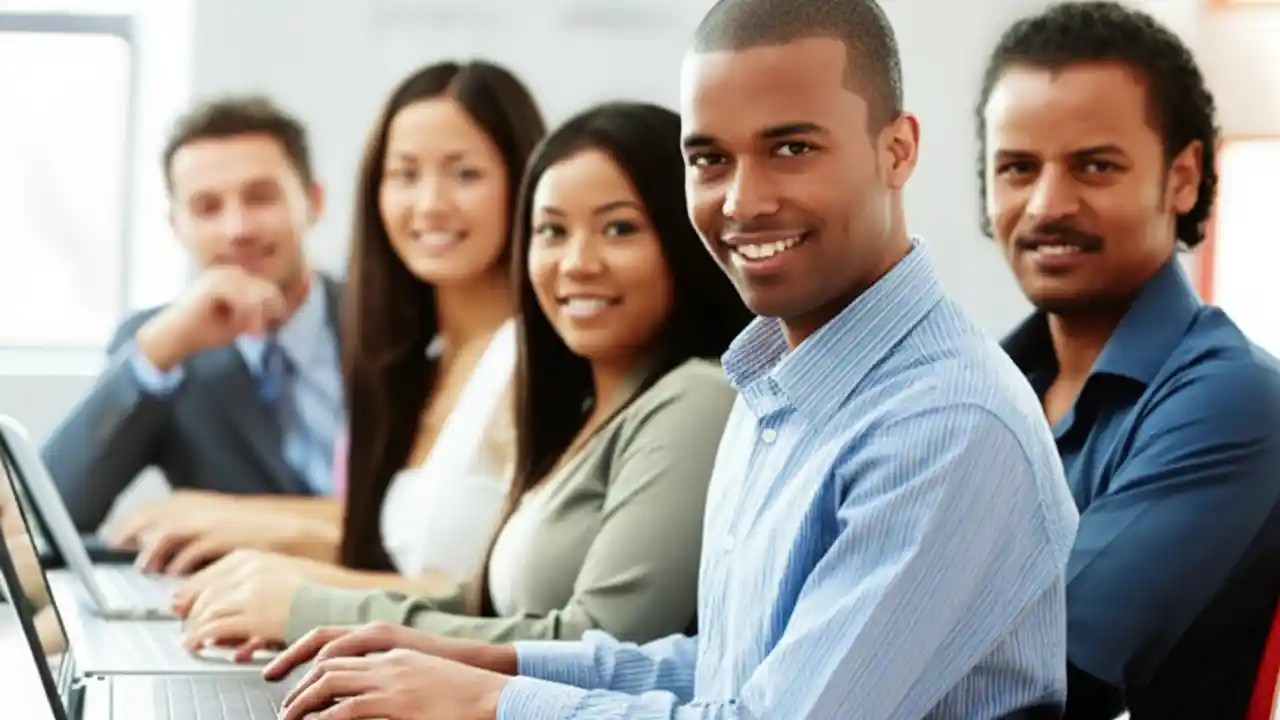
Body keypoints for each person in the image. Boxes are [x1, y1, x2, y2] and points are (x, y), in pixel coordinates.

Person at [259, 2, 1080, 719]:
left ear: (897, 149)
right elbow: (726, 670)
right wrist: (481, 662)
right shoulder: (774, 379)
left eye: (792, 148)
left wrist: (491, 704)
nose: (743, 201)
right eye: (710, 159)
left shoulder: (942, 422)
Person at [174, 101, 749, 657]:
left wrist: (315, 609)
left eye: (619, 229)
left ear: (684, 237)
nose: (577, 263)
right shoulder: (583, 409)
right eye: (551, 231)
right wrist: (299, 598)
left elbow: (598, 644)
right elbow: (485, 605)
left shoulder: (696, 398)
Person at [117, 61, 548, 581]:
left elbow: (497, 590)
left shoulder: (526, 361)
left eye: (465, 174)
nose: (431, 204)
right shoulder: (423, 359)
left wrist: (278, 557)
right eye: (406, 175)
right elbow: (392, 537)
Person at [980, 3, 1280, 717]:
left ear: (1182, 178)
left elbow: (1038, 679)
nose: (1046, 205)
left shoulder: (1234, 399)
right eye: (1018, 168)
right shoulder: (979, 388)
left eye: (1095, 166)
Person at [40, 96, 346, 546]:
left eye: (261, 198)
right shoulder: (161, 345)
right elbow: (43, 518)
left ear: (314, 202)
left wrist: (236, 515)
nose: (238, 229)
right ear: (176, 225)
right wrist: (156, 354)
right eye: (207, 207)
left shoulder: (392, 321)